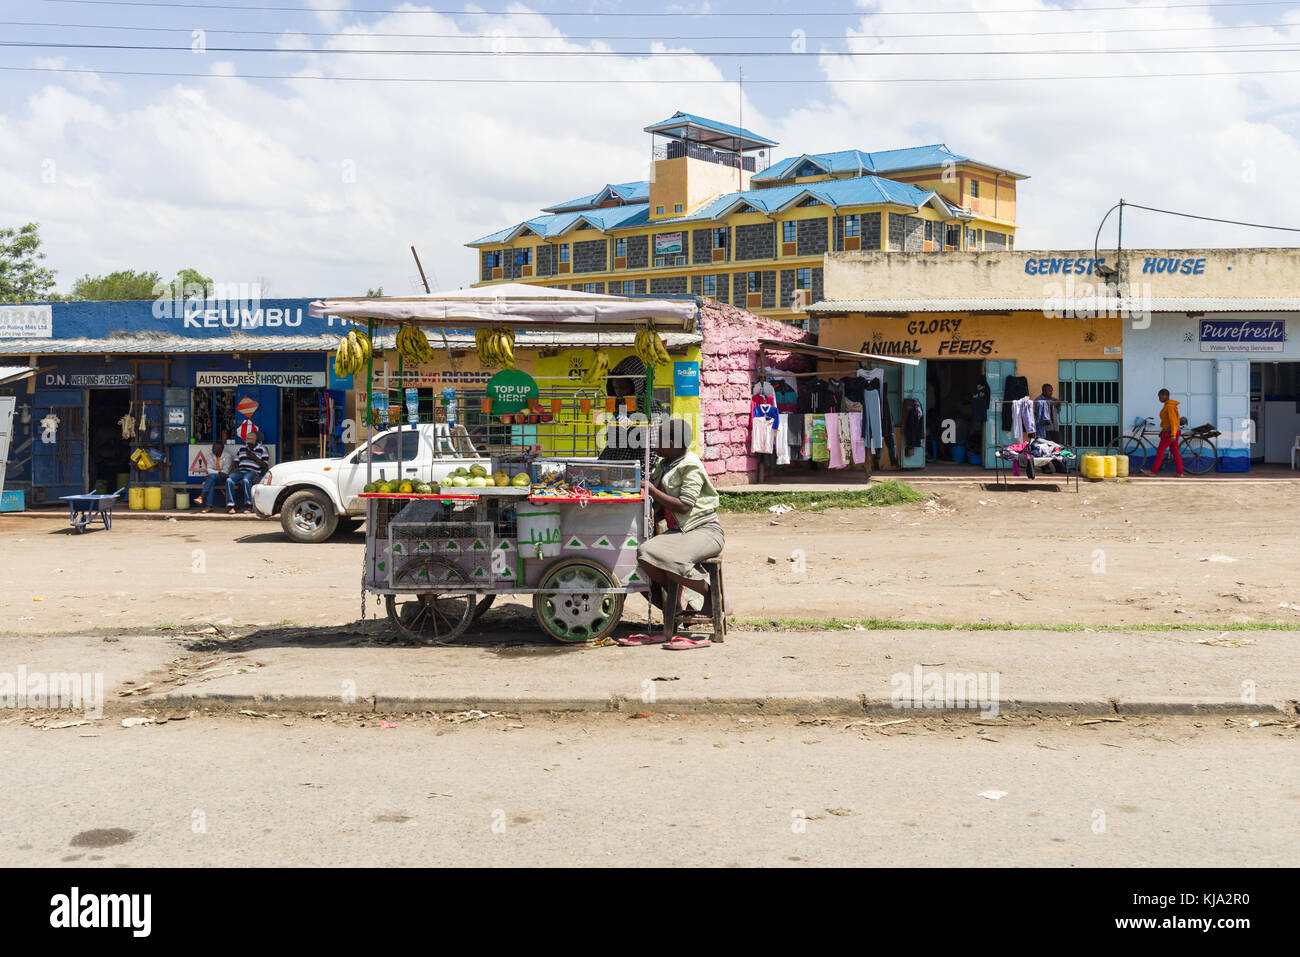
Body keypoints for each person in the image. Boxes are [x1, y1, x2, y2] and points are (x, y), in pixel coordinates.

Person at [631, 418, 724, 649]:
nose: (655, 444)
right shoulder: (665, 464)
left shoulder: (690, 465)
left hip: (704, 530)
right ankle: (676, 604)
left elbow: (684, 505)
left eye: (660, 439)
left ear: (672, 442)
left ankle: (711, 595)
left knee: (672, 559)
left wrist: (651, 490)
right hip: (679, 532)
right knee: (644, 553)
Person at [598, 355, 664, 465]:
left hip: (631, 470)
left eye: (623, 388)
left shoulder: (649, 409)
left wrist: (641, 475)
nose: (619, 392)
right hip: (610, 467)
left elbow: (652, 448)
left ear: (636, 385)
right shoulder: (620, 407)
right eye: (615, 388)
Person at [226, 430, 270, 513]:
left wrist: (255, 458)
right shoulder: (242, 448)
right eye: (248, 442)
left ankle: (249, 505)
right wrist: (235, 468)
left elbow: (265, 466)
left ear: (255, 441)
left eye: (251, 443)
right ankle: (231, 505)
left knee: (246, 480)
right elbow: (236, 461)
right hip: (241, 471)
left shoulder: (262, 449)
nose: (248, 444)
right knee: (229, 480)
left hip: (253, 471)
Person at [1144, 388, 1184, 476]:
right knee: (1175, 452)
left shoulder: (1169, 406)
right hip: (1171, 432)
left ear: (1165, 395)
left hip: (1170, 433)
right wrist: (1163, 430)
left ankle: (1153, 471)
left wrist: (1173, 434)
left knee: (1160, 451)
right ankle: (1180, 472)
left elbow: (1173, 421)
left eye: (1160, 396)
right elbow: (1167, 422)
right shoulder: (1167, 405)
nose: (1159, 398)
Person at [195, 440, 235, 512]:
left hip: (225, 479)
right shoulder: (211, 455)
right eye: (213, 448)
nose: (213, 450)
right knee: (211, 481)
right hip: (215, 478)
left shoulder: (227, 456)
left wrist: (213, 474)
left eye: (215, 448)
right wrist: (218, 473)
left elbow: (225, 472)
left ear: (221, 450)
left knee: (211, 477)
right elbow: (209, 469)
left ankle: (201, 496)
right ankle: (209, 506)